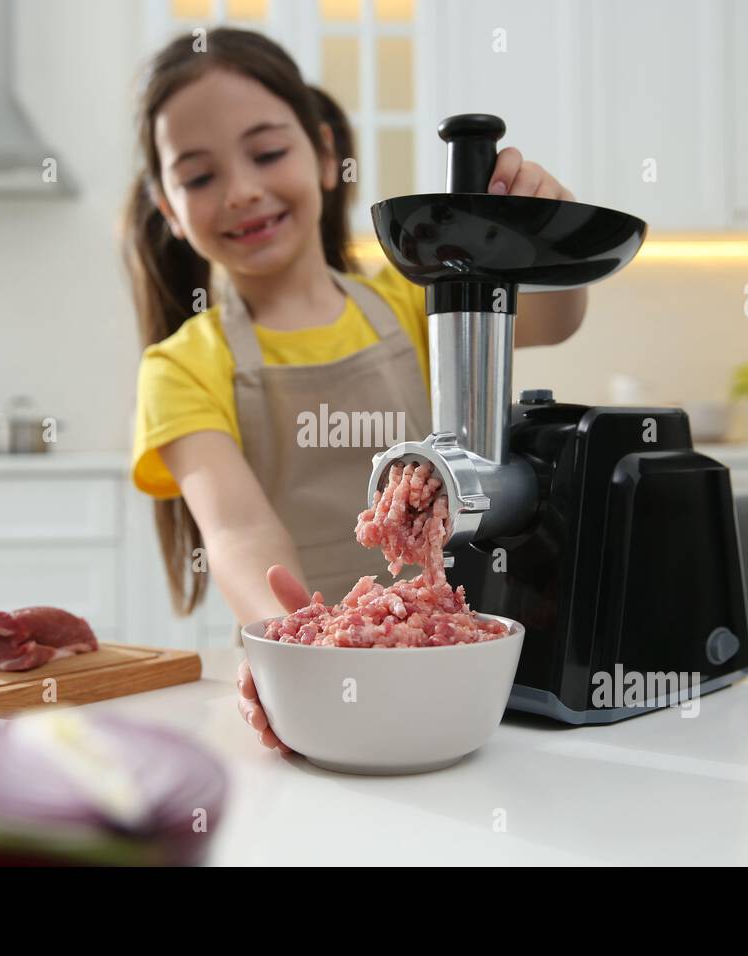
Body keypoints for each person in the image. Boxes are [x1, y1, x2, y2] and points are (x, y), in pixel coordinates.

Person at [124, 28, 587, 753]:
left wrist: (536, 228)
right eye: (198, 175)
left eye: (268, 152)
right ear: (166, 204)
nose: (242, 190)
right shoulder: (181, 364)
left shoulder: (409, 299)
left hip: (456, 669)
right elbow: (240, 532)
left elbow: (558, 317)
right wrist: (292, 642)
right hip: (316, 681)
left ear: (323, 150)